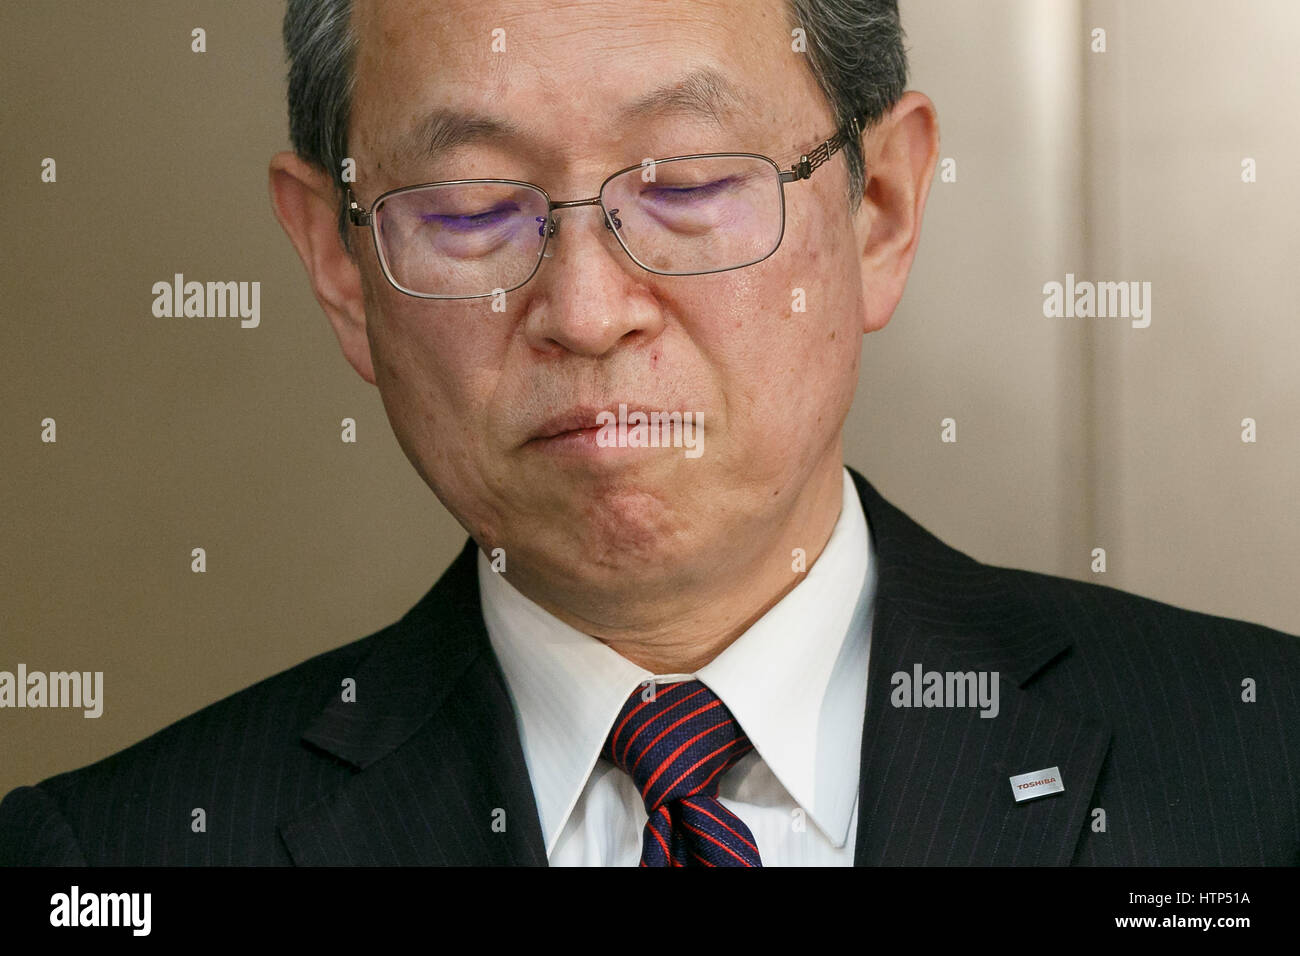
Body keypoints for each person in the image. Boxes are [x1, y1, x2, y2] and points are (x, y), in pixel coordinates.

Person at [2, 0, 1297, 867]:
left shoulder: (1261, 772)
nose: (584, 309)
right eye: (468, 210)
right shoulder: (112, 859)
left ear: (882, 209)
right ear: (341, 270)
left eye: (685, 187)